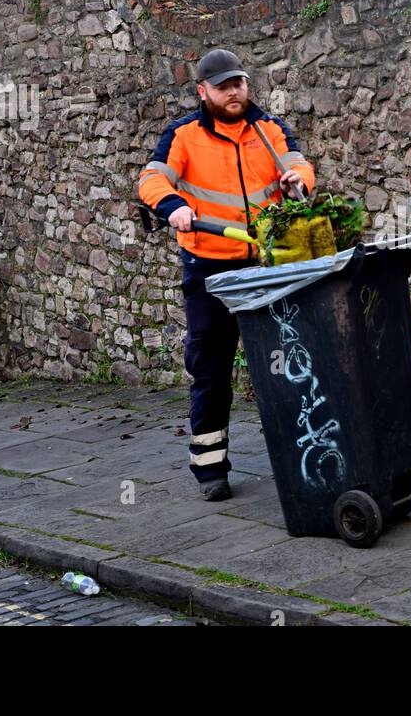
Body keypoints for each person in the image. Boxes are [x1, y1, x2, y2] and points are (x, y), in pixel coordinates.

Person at [138, 49, 316, 501]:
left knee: (289, 363)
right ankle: (210, 468)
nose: (233, 91)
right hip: (209, 269)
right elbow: (152, 180)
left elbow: (297, 163)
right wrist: (174, 207)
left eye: (238, 83)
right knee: (211, 368)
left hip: (266, 264)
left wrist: (298, 181)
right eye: (223, 86)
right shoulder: (183, 135)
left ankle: (309, 455)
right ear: (203, 91)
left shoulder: (268, 128)